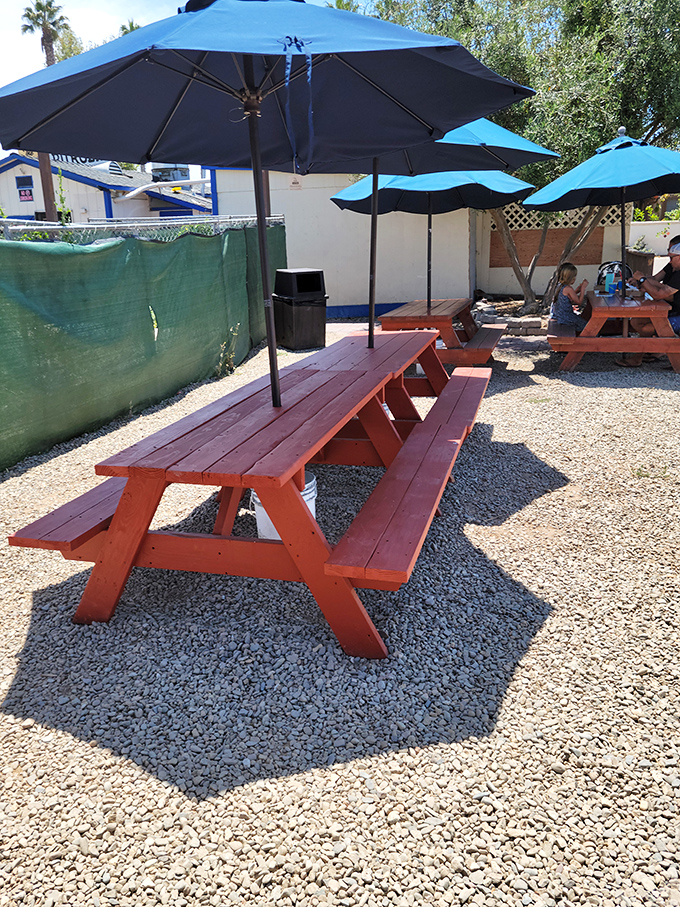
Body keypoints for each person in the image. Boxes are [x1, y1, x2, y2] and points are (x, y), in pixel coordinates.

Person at [616, 236, 680, 367]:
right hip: (669, 308)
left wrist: (643, 280)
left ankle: (639, 357)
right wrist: (641, 280)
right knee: (636, 320)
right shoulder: (672, 267)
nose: (669, 259)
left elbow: (659, 294)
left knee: (648, 327)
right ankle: (656, 350)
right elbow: (656, 280)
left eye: (671, 256)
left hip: (676, 313)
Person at [551, 262, 588, 331]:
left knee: (581, 320)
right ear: (571, 278)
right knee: (587, 326)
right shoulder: (568, 288)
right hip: (564, 317)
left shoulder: (560, 285)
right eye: (574, 276)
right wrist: (583, 289)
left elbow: (570, 296)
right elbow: (579, 302)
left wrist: (578, 289)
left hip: (558, 315)